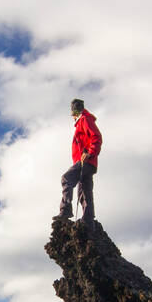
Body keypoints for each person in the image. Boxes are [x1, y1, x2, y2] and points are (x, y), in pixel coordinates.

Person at [58, 98, 102, 229]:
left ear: (74, 113)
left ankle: (65, 210)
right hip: (89, 162)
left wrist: (89, 152)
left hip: (86, 161)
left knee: (66, 178)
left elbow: (97, 137)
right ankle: (89, 222)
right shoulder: (83, 120)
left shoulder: (84, 120)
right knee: (84, 191)